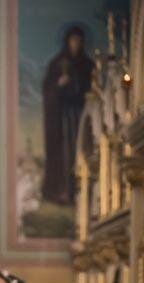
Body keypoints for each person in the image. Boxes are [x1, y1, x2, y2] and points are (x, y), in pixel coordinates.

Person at [41, 26, 94, 206]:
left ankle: (80, 190)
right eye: (73, 40)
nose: (76, 44)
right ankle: (63, 190)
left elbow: (91, 87)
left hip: (81, 115)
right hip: (63, 118)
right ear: (67, 41)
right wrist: (58, 85)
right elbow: (48, 90)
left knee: (81, 150)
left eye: (79, 40)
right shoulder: (57, 64)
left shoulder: (87, 64)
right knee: (65, 153)